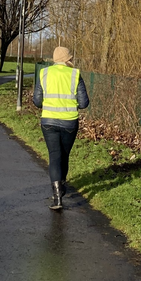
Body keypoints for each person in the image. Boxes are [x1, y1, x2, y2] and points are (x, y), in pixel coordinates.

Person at [33, 46, 89, 210]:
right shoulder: (75, 75)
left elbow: (37, 101)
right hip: (69, 121)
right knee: (64, 155)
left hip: (48, 121)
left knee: (54, 156)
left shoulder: (44, 73)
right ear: (68, 59)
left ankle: (57, 197)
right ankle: (62, 184)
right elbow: (84, 103)